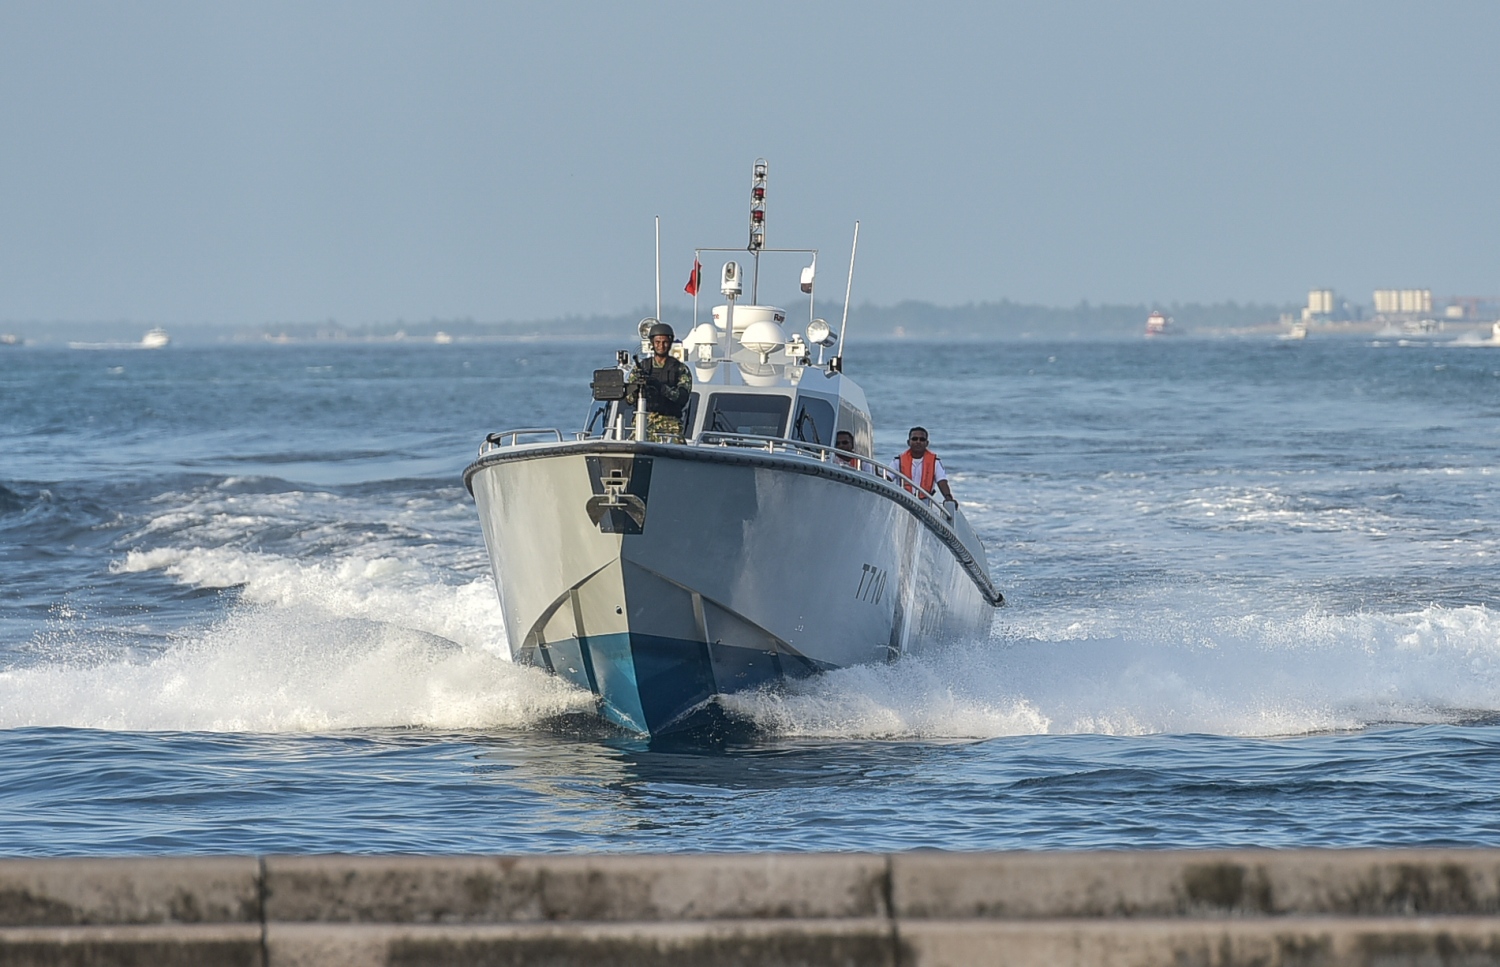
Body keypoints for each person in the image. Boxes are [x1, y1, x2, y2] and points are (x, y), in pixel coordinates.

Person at [626, 322, 693, 443]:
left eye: (665, 342)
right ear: (652, 343)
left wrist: (660, 387)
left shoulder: (680, 369)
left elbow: (682, 398)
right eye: (657, 342)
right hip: (643, 423)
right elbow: (629, 399)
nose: (661, 346)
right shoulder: (641, 368)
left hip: (669, 425)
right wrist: (637, 387)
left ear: (670, 343)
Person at [892, 426, 954, 503]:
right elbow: (888, 477)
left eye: (922, 439)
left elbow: (941, 481)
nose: (918, 442)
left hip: (924, 503)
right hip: (903, 500)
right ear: (908, 442)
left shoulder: (935, 462)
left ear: (927, 443)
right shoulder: (898, 461)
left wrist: (948, 497)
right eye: (914, 439)